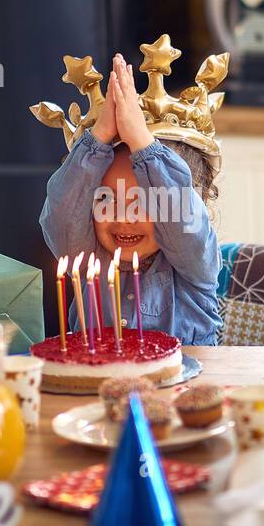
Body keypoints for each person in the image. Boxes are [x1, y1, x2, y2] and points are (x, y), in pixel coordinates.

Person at [38, 53, 222, 345]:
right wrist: (98, 138)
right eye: (105, 201)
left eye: (144, 201)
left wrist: (141, 142)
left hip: (184, 387)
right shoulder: (87, 259)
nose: (124, 217)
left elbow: (180, 216)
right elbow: (63, 210)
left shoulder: (194, 262)